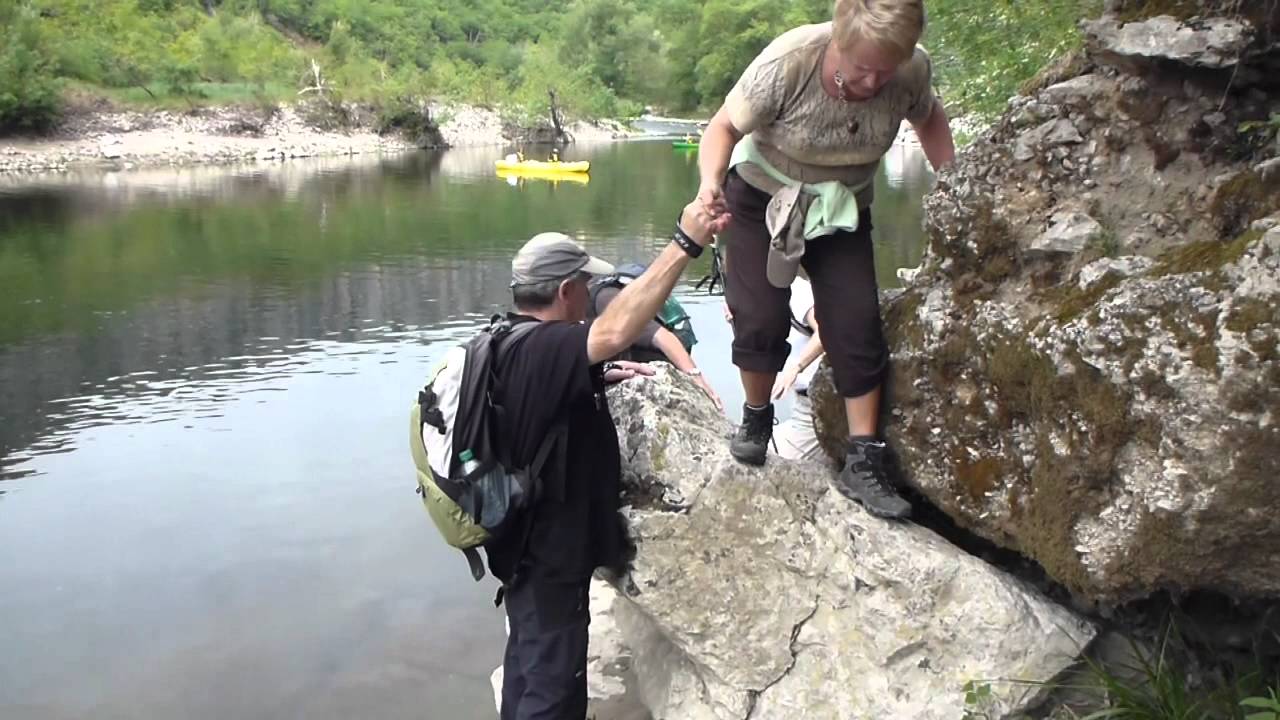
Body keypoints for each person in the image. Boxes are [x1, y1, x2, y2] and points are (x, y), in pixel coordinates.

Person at [693, 0, 955, 518]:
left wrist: (954, 183)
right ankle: (757, 417)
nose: (873, 82)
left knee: (856, 321)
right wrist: (709, 184)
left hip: (842, 207)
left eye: (886, 70)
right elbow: (721, 129)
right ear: (839, 39)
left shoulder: (911, 70)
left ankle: (864, 458)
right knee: (759, 315)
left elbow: (929, 119)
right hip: (762, 197)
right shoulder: (790, 62)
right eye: (862, 68)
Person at [489, 203, 729, 720]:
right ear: (565, 291)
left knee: (528, 664)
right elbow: (618, 331)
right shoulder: (549, 346)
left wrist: (595, 375)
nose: (589, 297)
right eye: (584, 285)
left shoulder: (508, 339)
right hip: (550, 555)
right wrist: (685, 243)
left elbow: (538, 404)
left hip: (520, 543)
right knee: (554, 688)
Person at [589, 268, 724, 412]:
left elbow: (661, 336)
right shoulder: (591, 300)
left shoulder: (606, 299)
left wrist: (696, 377)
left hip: (657, 358)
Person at [770, 276, 825, 461]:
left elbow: (825, 331)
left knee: (776, 460)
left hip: (816, 408)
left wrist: (795, 368)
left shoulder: (796, 290)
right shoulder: (770, 292)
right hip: (801, 405)